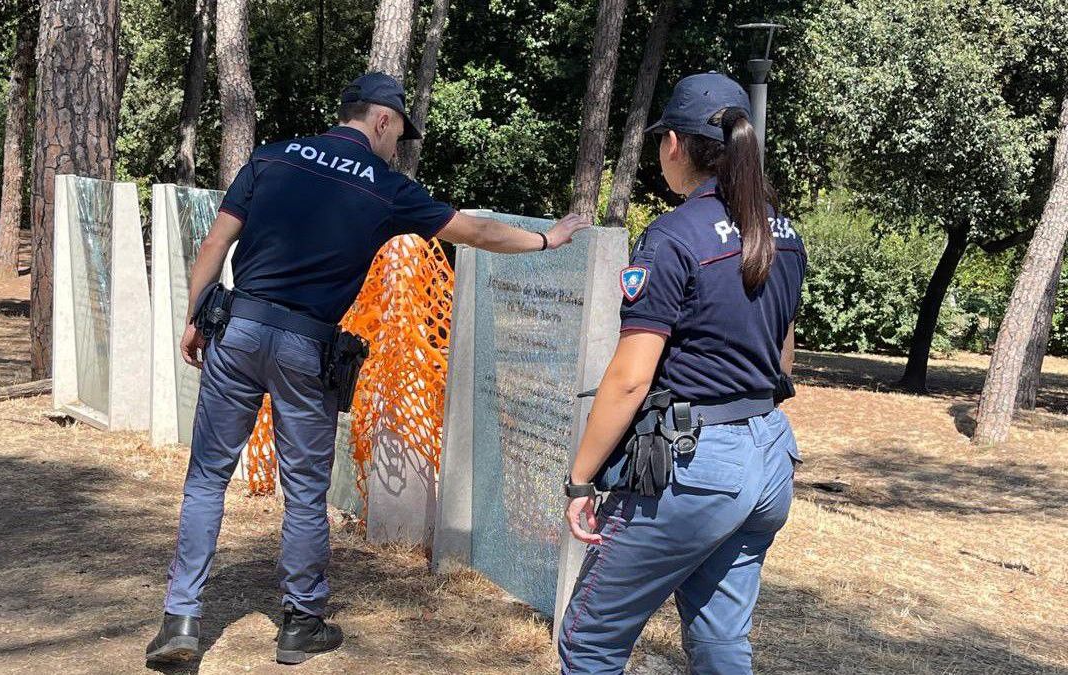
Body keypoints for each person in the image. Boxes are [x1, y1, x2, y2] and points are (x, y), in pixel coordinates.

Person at [144, 71, 591, 666]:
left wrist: (198, 315)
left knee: (206, 478)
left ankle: (180, 621)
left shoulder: (271, 157)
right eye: (398, 134)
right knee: (304, 490)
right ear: (382, 119)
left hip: (239, 328)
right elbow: (474, 231)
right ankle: (301, 623)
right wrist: (546, 241)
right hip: (307, 346)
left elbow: (213, 246)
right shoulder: (385, 186)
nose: (396, 147)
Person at [557, 72, 806, 674]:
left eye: (659, 144)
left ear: (675, 143)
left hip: (695, 470)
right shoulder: (782, 231)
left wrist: (581, 481)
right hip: (768, 458)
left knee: (591, 639)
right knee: (721, 639)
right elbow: (784, 358)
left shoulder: (672, 237)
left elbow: (629, 379)